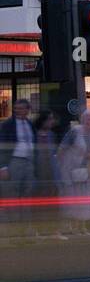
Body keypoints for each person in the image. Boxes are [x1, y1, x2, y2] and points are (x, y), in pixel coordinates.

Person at [57, 109, 90, 235]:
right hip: (70, 169)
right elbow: (62, 149)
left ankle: (83, 226)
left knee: (85, 199)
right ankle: (73, 226)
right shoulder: (75, 131)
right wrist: (61, 167)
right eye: (87, 118)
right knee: (73, 198)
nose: (89, 121)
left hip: (86, 171)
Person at [0, 98, 37, 237]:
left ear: (28, 110)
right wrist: (3, 167)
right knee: (13, 196)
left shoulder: (29, 124)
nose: (19, 111)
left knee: (27, 195)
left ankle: (25, 230)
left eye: (22, 108)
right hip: (14, 161)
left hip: (29, 161)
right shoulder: (8, 125)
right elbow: (2, 145)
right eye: (17, 109)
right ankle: (15, 231)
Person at [33, 110, 61, 238]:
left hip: (50, 170)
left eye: (52, 119)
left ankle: (53, 229)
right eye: (49, 119)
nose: (51, 122)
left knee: (53, 201)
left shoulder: (51, 135)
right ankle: (39, 229)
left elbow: (54, 155)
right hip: (39, 170)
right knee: (40, 202)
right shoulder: (35, 135)